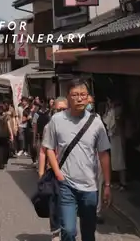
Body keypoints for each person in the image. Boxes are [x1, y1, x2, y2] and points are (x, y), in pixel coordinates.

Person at [42, 79, 111, 241]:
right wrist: (58, 173)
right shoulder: (57, 120)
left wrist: (107, 185)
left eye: (83, 95)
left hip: (90, 185)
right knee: (68, 230)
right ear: (68, 97)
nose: (79, 99)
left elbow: (103, 153)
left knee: (88, 232)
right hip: (66, 184)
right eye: (75, 95)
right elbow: (49, 148)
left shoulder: (96, 122)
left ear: (88, 98)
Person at [38, 97, 67, 241]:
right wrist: (41, 173)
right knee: (54, 201)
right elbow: (43, 151)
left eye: (64, 109)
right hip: (53, 171)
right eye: (58, 109)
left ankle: (67, 230)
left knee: (68, 203)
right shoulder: (49, 127)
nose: (61, 112)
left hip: (71, 171)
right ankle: (56, 231)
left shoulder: (74, 125)